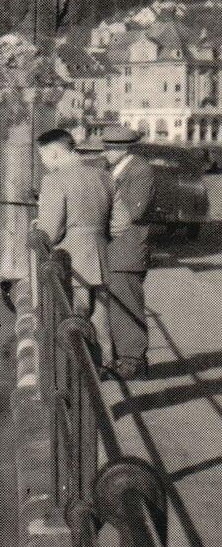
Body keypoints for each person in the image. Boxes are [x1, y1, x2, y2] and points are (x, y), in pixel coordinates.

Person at [34, 128, 114, 357]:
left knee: (75, 316)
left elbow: (50, 231)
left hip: (71, 261)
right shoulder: (104, 176)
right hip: (100, 255)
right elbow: (121, 222)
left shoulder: (53, 180)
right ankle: (107, 365)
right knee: (101, 318)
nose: (44, 163)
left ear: (55, 153)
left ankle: (78, 373)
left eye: (43, 157)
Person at [101, 125, 154, 379]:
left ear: (124, 149)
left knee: (128, 304)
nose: (106, 153)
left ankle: (133, 362)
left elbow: (135, 212)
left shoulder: (140, 169)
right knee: (117, 304)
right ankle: (124, 360)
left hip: (128, 248)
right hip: (116, 250)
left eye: (110, 148)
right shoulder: (114, 168)